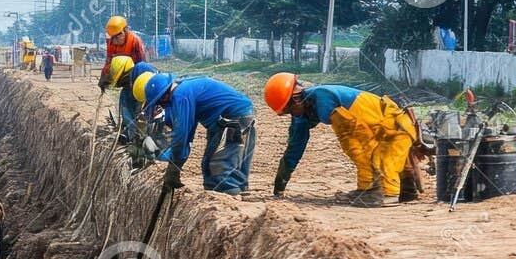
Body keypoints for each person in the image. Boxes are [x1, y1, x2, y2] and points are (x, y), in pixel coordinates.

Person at [263, 72, 420, 207]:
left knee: (377, 157)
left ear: (296, 100)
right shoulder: (303, 112)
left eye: (288, 111)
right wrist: (280, 186)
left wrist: (370, 189)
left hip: (396, 129)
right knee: (379, 156)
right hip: (381, 130)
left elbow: (359, 142)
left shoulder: (323, 98)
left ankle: (387, 194)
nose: (291, 115)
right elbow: (293, 150)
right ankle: (405, 191)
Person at [135, 71, 256, 196]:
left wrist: (173, 167)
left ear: (164, 96)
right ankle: (231, 195)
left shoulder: (180, 96)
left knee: (220, 168)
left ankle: (230, 207)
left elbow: (182, 135)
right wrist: (177, 162)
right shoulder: (184, 89)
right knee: (209, 167)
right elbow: (188, 133)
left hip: (232, 117)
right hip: (225, 119)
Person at [99, 17, 148, 142]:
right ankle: (127, 132)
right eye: (113, 37)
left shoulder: (135, 42)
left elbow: (141, 65)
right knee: (124, 106)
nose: (116, 40)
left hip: (138, 78)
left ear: (125, 30)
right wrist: (104, 79)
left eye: (118, 36)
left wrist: (136, 85)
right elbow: (109, 61)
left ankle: (137, 136)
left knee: (138, 110)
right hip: (124, 80)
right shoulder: (111, 42)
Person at [104, 54, 157, 144]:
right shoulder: (126, 92)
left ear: (126, 73)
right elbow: (126, 114)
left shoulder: (142, 69)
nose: (121, 84)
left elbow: (150, 96)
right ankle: (129, 136)